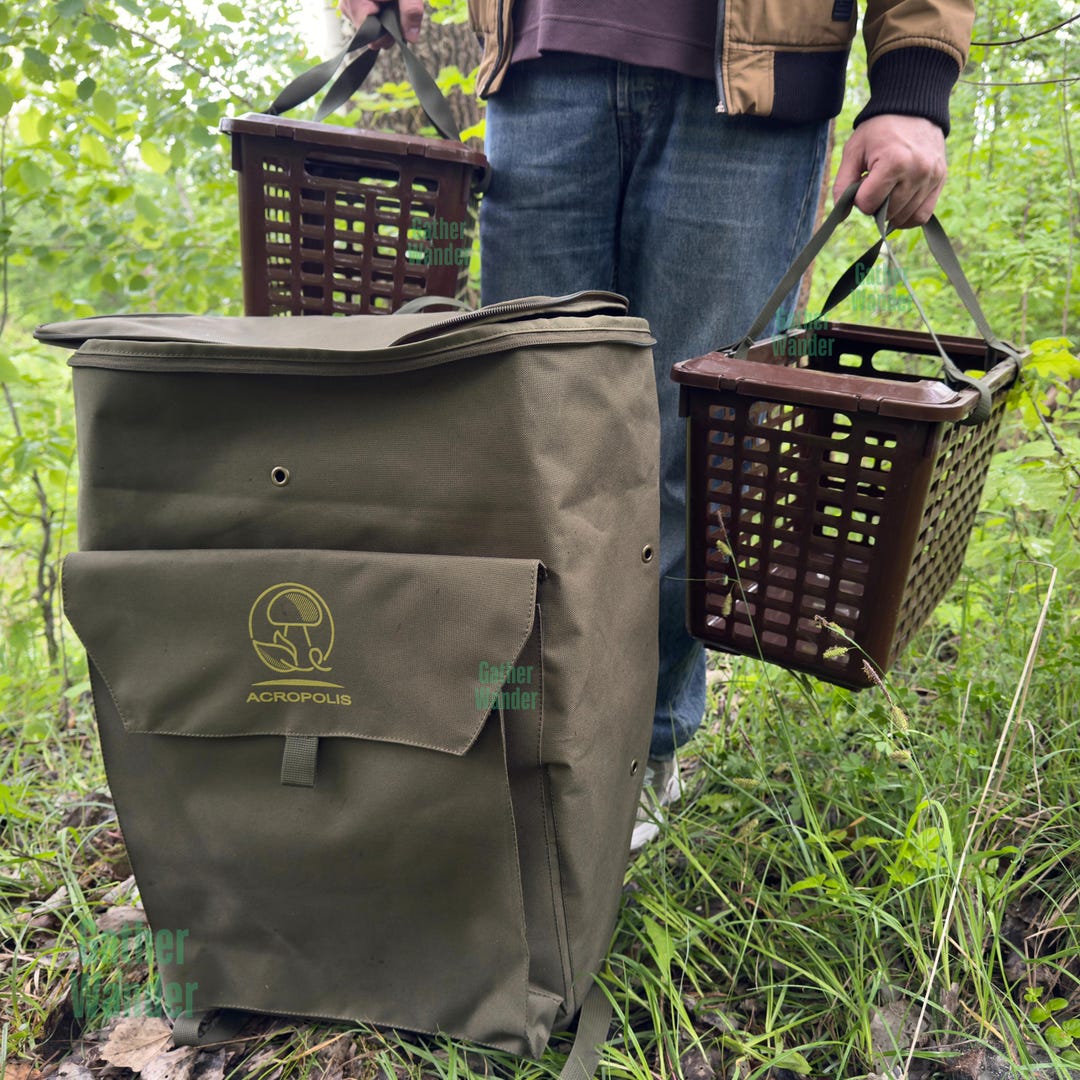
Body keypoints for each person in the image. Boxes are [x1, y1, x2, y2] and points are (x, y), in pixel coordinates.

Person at [340, 0, 975, 848]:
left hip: (751, 85)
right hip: (540, 68)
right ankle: (522, 742)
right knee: (526, 444)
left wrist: (914, 80)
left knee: (692, 453)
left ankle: (636, 755)